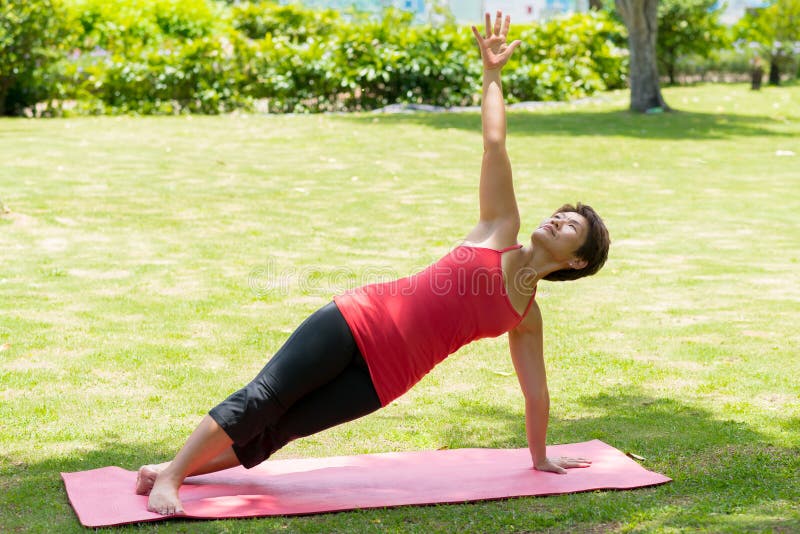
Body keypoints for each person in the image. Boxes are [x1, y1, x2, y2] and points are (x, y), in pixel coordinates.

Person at [138, 11, 610, 515]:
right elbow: (495, 144)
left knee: (279, 431)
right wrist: (491, 73)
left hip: (385, 379)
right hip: (357, 319)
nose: (558, 219)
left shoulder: (525, 317)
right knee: (263, 399)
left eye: (571, 227)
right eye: (561, 213)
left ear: (577, 262)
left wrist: (539, 457)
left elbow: (536, 395)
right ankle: (171, 476)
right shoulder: (500, 229)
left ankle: (172, 471)